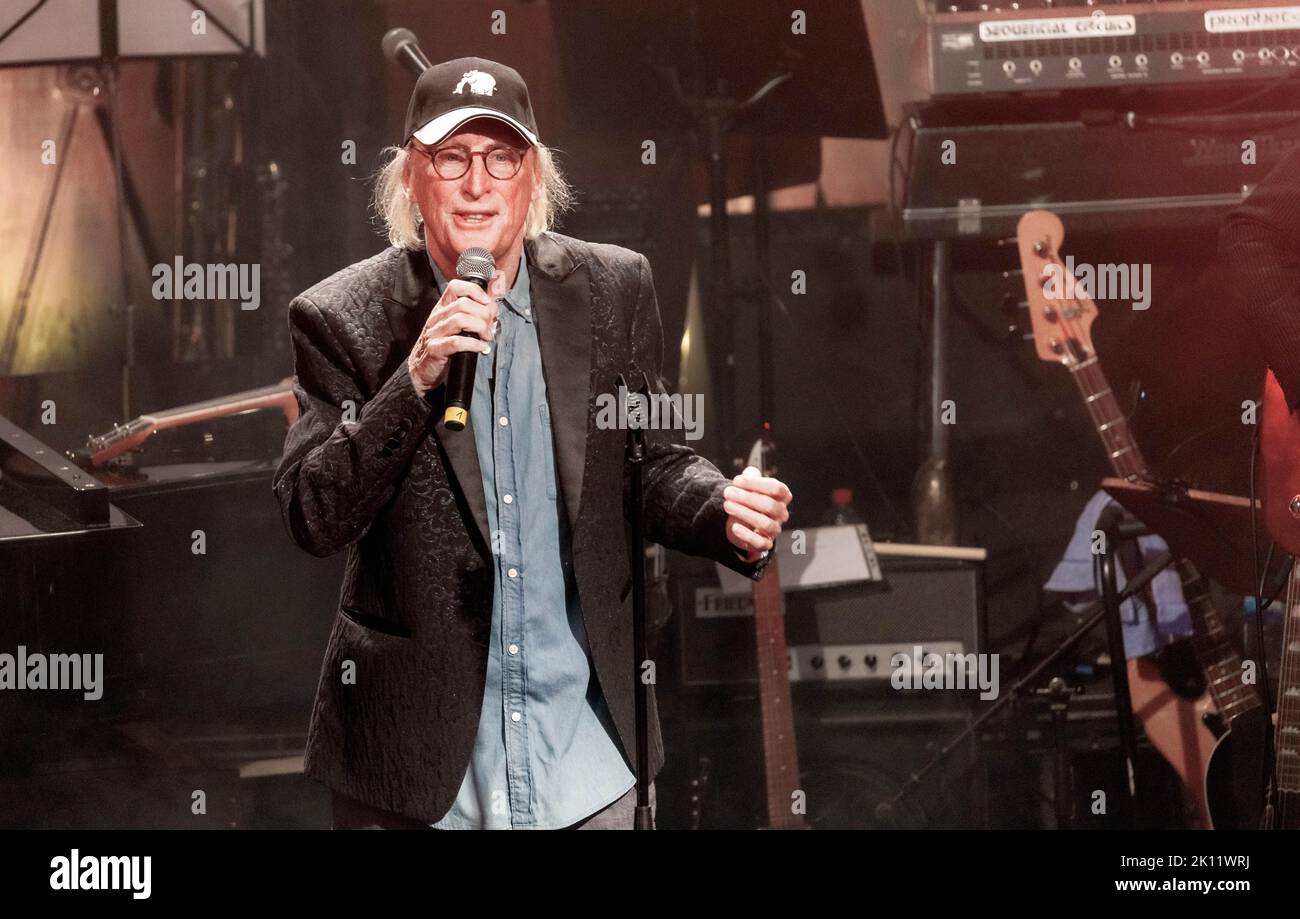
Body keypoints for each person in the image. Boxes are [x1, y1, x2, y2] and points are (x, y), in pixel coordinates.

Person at [272, 56, 792, 829]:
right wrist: (413, 379)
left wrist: (723, 509)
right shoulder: (341, 315)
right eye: (452, 158)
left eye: (501, 157)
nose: (478, 184)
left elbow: (653, 466)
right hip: (419, 777)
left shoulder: (614, 288)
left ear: (532, 177)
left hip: (584, 758)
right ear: (413, 178)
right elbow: (313, 512)